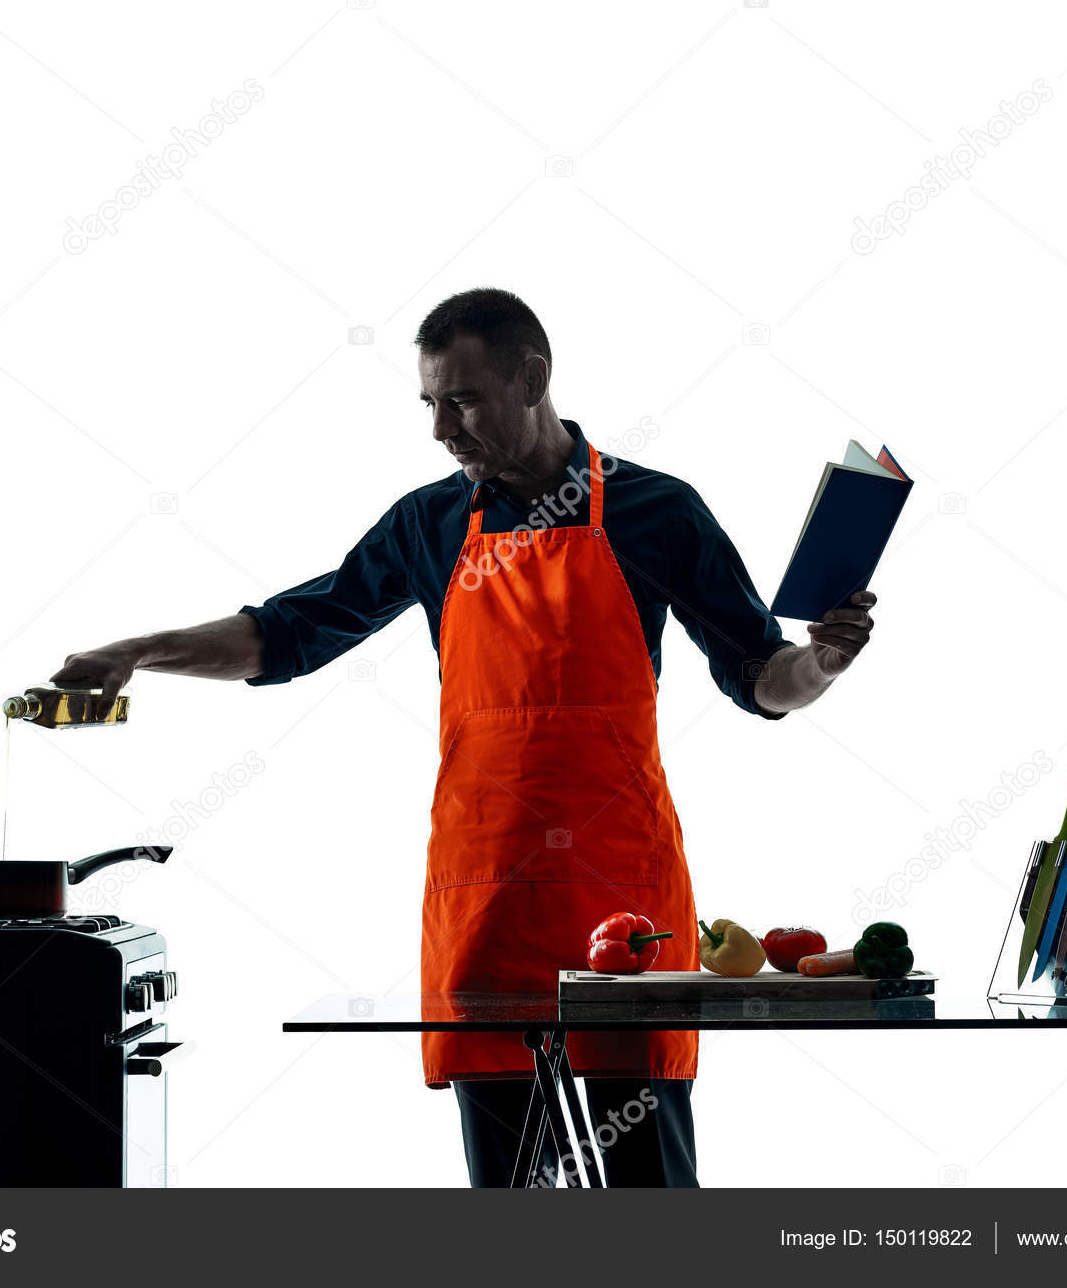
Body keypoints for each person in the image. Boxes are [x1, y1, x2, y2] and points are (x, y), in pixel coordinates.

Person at [50, 288, 877, 1186]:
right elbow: (287, 634)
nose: (442, 429)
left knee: (649, 1192)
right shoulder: (429, 525)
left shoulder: (659, 512)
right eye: (431, 403)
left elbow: (761, 677)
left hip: (622, 900)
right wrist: (139, 651)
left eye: (464, 400)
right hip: (487, 899)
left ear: (533, 378)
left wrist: (823, 661)